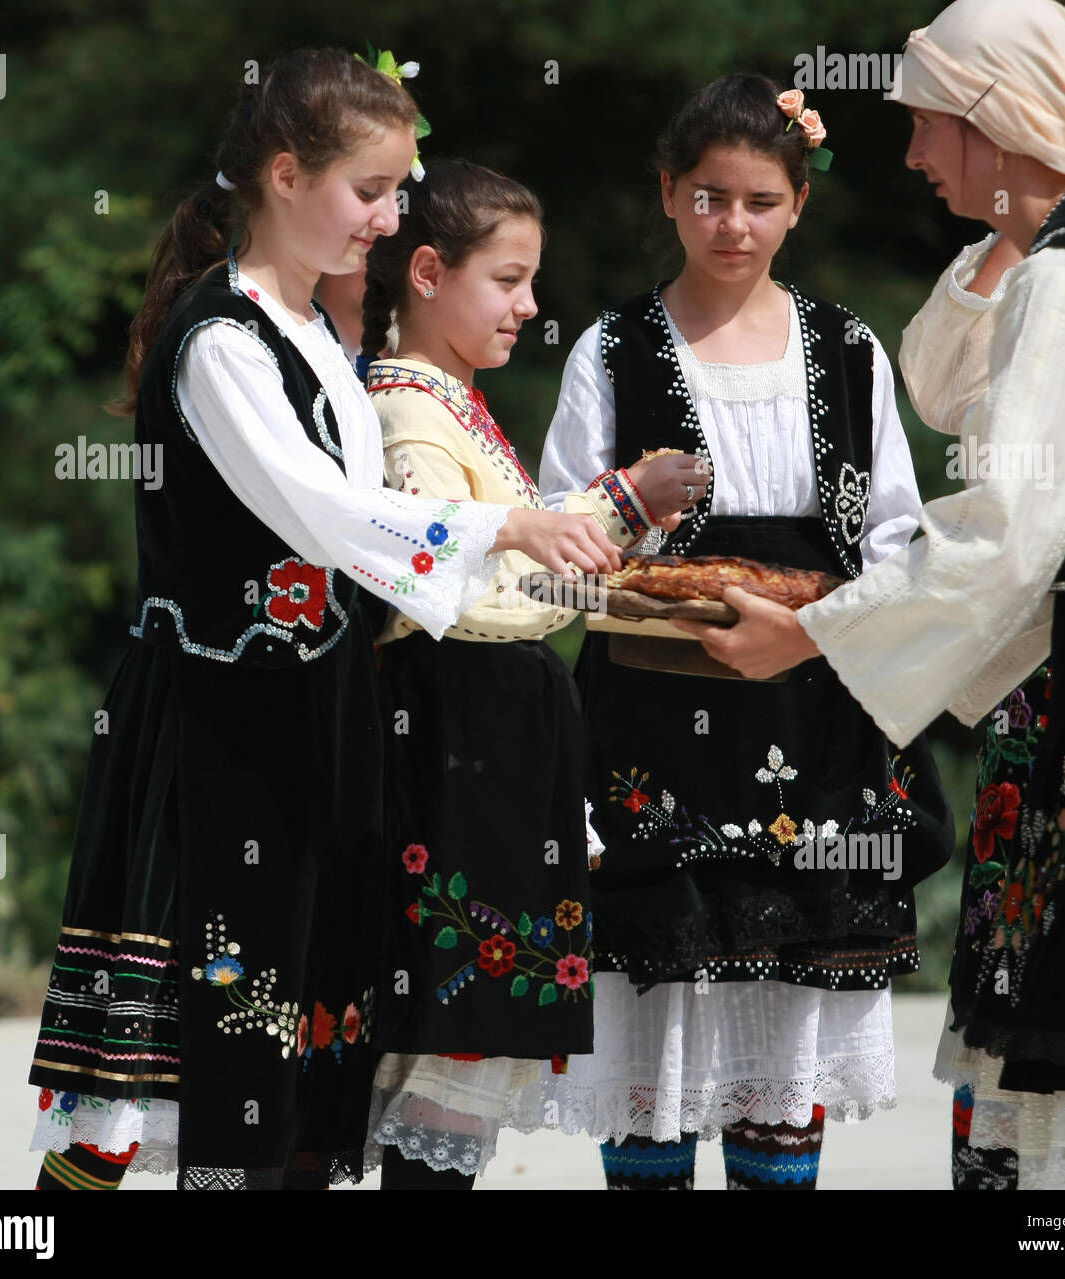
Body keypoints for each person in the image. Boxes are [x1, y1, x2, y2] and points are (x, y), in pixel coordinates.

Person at [27, 48, 621, 1190]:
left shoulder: (318, 345)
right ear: (286, 176)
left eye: (399, 192)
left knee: (299, 1046)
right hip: (220, 726)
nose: (389, 219)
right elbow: (325, 511)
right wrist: (501, 531)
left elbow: (378, 546)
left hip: (313, 718)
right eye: (370, 191)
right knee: (184, 1056)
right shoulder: (221, 342)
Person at [681, 0, 1065, 1191]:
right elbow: (1045, 510)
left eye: (926, 125)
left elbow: (1011, 531)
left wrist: (814, 635)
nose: (913, 156)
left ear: (993, 120)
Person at [538, 72, 956, 1190]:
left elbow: (899, 543)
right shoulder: (610, 350)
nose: (734, 223)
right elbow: (558, 550)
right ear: (670, 197)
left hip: (809, 726)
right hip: (648, 730)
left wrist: (811, 633)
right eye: (710, 197)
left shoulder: (847, 348)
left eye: (760, 200)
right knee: (656, 1041)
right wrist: (628, 518)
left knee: (782, 1054)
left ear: (798, 206)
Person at [357, 157, 696, 1189]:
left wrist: (625, 526)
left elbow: (510, 564)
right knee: (454, 1029)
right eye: (507, 279)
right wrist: (622, 523)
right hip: (459, 745)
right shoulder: (406, 413)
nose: (530, 304)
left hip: (491, 744)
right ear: (426, 270)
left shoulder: (448, 401)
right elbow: (455, 597)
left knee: (468, 1035)